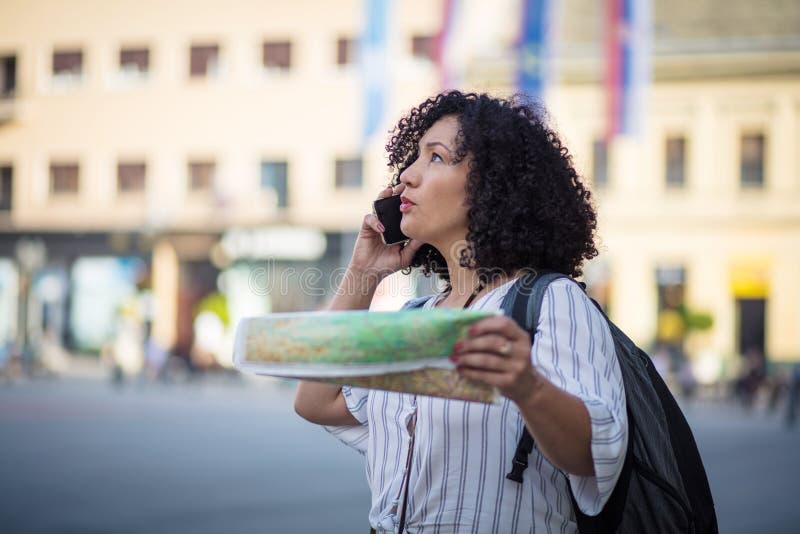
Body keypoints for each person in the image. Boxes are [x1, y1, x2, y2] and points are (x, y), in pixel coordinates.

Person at [294, 91, 627, 533]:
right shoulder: (416, 317)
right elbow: (316, 401)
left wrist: (525, 386)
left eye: (435, 158)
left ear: (491, 185)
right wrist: (363, 273)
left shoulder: (550, 301)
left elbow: (593, 454)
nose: (407, 176)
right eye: (413, 156)